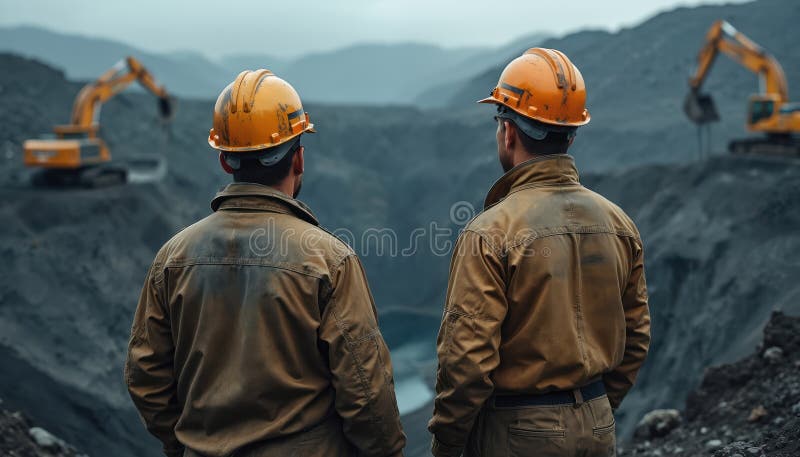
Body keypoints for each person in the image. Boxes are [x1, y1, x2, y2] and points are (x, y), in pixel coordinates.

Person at [125, 69, 406, 457]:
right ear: (299, 158)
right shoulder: (329, 260)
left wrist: (188, 444)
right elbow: (365, 389)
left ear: (225, 161)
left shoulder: (172, 258)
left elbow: (145, 376)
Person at [428, 48, 651, 457]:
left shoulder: (490, 233)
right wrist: (596, 405)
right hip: (598, 424)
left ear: (508, 132)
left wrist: (447, 444)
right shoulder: (619, 224)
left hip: (518, 433)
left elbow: (466, 363)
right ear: (571, 134)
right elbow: (636, 337)